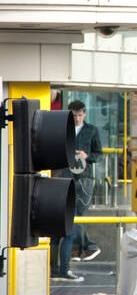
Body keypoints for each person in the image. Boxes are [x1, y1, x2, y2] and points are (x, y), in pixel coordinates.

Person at [51, 99, 102, 280]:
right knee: (67, 225)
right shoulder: (62, 130)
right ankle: (86, 247)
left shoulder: (92, 131)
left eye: (80, 115)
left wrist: (87, 156)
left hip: (83, 180)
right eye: (74, 116)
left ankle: (82, 248)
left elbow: (98, 154)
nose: (78, 119)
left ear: (85, 114)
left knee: (75, 220)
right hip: (64, 179)